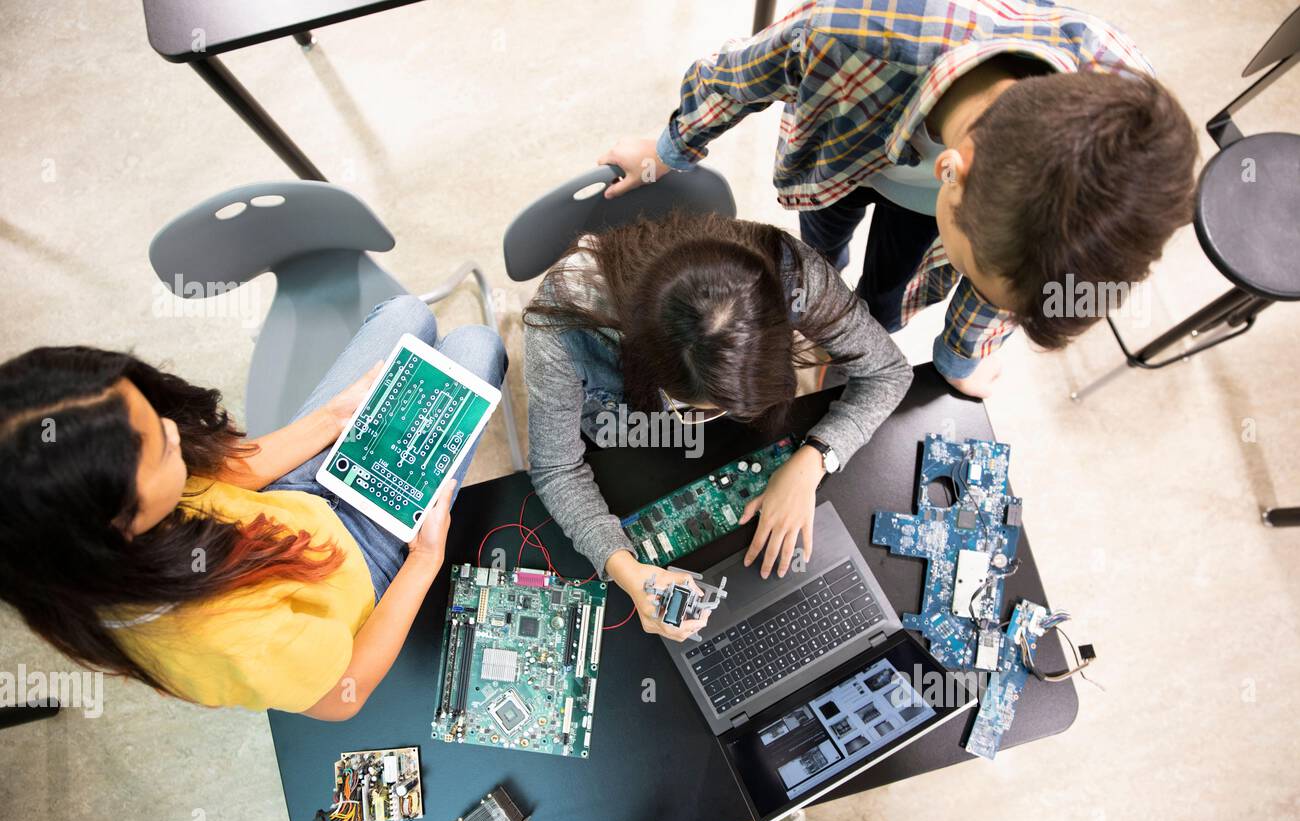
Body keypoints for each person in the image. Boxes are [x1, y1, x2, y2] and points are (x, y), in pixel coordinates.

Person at [599, 0, 1197, 398]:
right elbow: (735, 77)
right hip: (838, 158)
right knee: (822, 242)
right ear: (951, 172)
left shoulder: (1130, 129)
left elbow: (1021, 274)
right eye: (969, 274)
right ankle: (826, 288)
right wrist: (666, 150)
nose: (975, 294)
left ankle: (854, 328)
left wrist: (960, 357)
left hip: (927, 205)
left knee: (888, 290)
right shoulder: (844, 34)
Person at [0, 295, 505, 719]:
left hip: (288, 501)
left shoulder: (95, 517)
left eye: (153, 416)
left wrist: (333, 417)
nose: (173, 432)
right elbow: (341, 696)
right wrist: (424, 560)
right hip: (360, 566)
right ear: (117, 526)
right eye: (160, 449)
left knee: (406, 314)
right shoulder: (223, 637)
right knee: (477, 346)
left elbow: (228, 475)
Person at [524, 211, 912, 641]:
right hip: (623, 443)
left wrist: (815, 458)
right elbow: (557, 468)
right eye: (699, 409)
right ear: (650, 364)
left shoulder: (791, 274)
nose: (709, 419)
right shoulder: (566, 314)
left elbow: (889, 372)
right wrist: (625, 568)